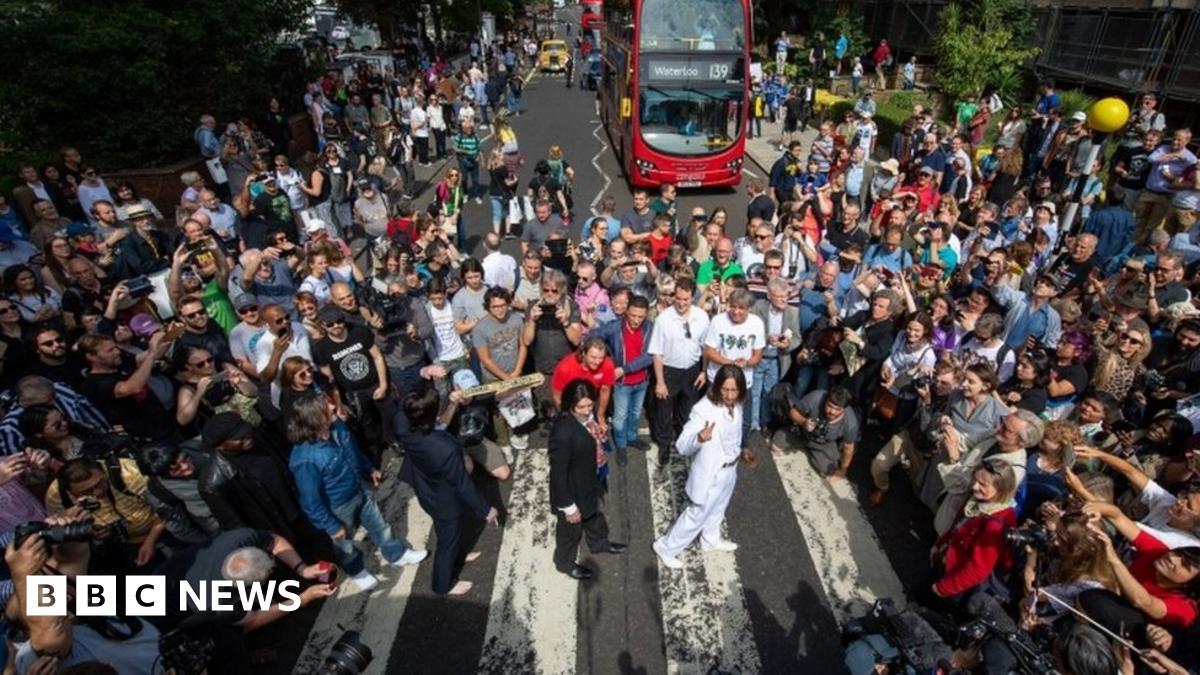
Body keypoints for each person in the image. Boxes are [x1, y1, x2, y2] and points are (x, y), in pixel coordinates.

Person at [289, 392, 426, 592]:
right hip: (338, 507)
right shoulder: (305, 459)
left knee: (380, 527)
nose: (333, 407)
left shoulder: (338, 427)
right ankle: (357, 571)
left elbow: (353, 452)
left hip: (360, 489)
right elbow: (310, 501)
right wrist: (331, 526)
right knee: (345, 545)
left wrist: (369, 469)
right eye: (326, 408)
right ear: (315, 419)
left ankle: (396, 554)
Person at [396, 384, 499, 596]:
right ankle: (443, 584)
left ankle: (459, 556)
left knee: (451, 533)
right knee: (447, 540)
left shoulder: (403, 422)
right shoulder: (444, 448)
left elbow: (437, 423)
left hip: (425, 486)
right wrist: (486, 509)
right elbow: (462, 483)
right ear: (431, 416)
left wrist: (452, 403)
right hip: (444, 500)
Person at [652, 365, 748, 569]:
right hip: (711, 474)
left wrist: (741, 451)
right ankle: (666, 547)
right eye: (725, 390)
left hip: (730, 469)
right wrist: (699, 438)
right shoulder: (703, 409)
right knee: (696, 515)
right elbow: (682, 445)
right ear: (717, 387)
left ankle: (710, 540)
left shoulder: (737, 406)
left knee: (718, 509)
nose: (730, 395)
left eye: (734, 390)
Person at [549, 379, 627, 580]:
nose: (586, 411)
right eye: (580, 407)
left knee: (593, 515)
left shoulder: (587, 419)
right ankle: (564, 562)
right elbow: (558, 474)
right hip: (574, 489)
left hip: (591, 480)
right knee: (570, 531)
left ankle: (599, 543)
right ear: (570, 405)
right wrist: (568, 506)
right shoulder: (563, 432)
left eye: (590, 405)